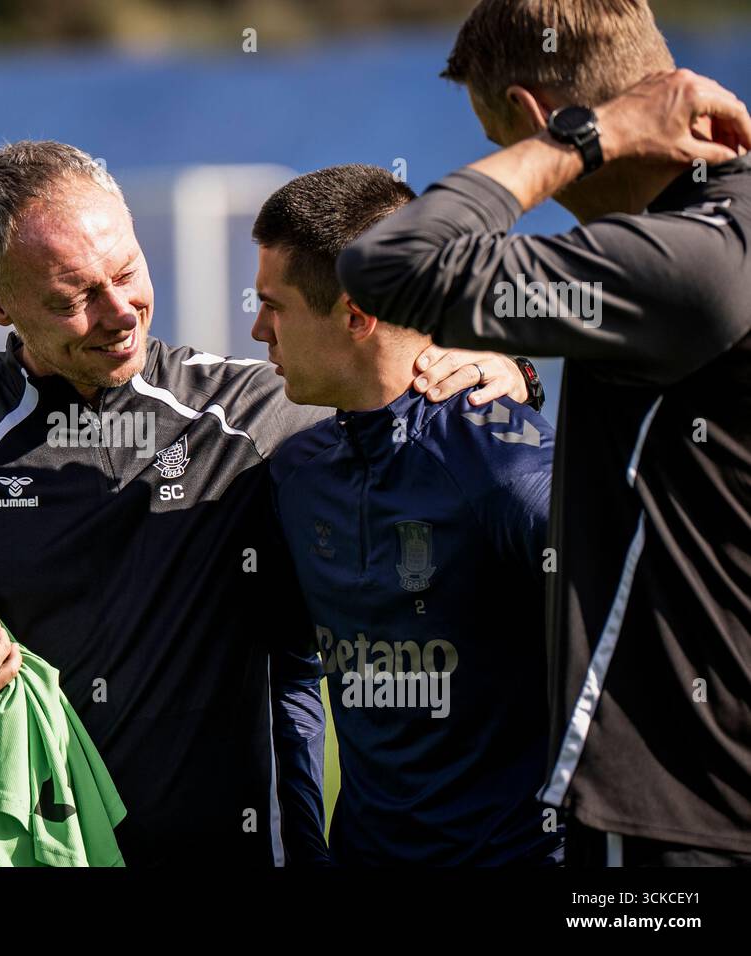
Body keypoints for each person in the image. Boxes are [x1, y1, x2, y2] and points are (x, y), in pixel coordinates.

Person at [0, 140, 536, 866]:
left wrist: (499, 369)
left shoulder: (263, 417)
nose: (119, 313)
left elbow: (396, 382)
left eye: (128, 272)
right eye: (73, 297)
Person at [336, 0, 751, 865]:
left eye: (499, 138)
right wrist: (518, 367)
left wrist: (581, 139)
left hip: (684, 810)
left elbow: (389, 265)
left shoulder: (687, 262)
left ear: (530, 116)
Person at [252, 163, 561, 864]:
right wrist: (304, 846)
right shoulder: (294, 476)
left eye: (275, 305)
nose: (256, 328)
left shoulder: (502, 465)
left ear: (357, 315)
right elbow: (294, 671)